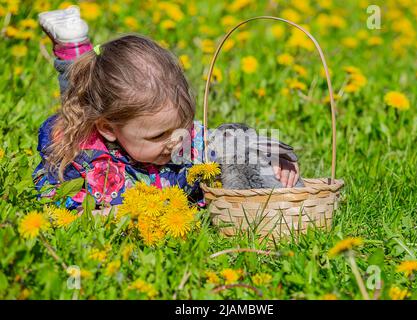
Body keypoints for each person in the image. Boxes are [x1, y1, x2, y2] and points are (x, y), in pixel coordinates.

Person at [32, 5, 300, 214]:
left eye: (182, 126)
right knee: (77, 99)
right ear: (109, 129)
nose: (175, 143)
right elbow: (64, 212)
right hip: (88, 130)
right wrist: (117, 216)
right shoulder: (83, 159)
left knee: (91, 90)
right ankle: (72, 48)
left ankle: (75, 46)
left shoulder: (183, 139)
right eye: (158, 136)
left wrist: (272, 160)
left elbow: (232, 145)